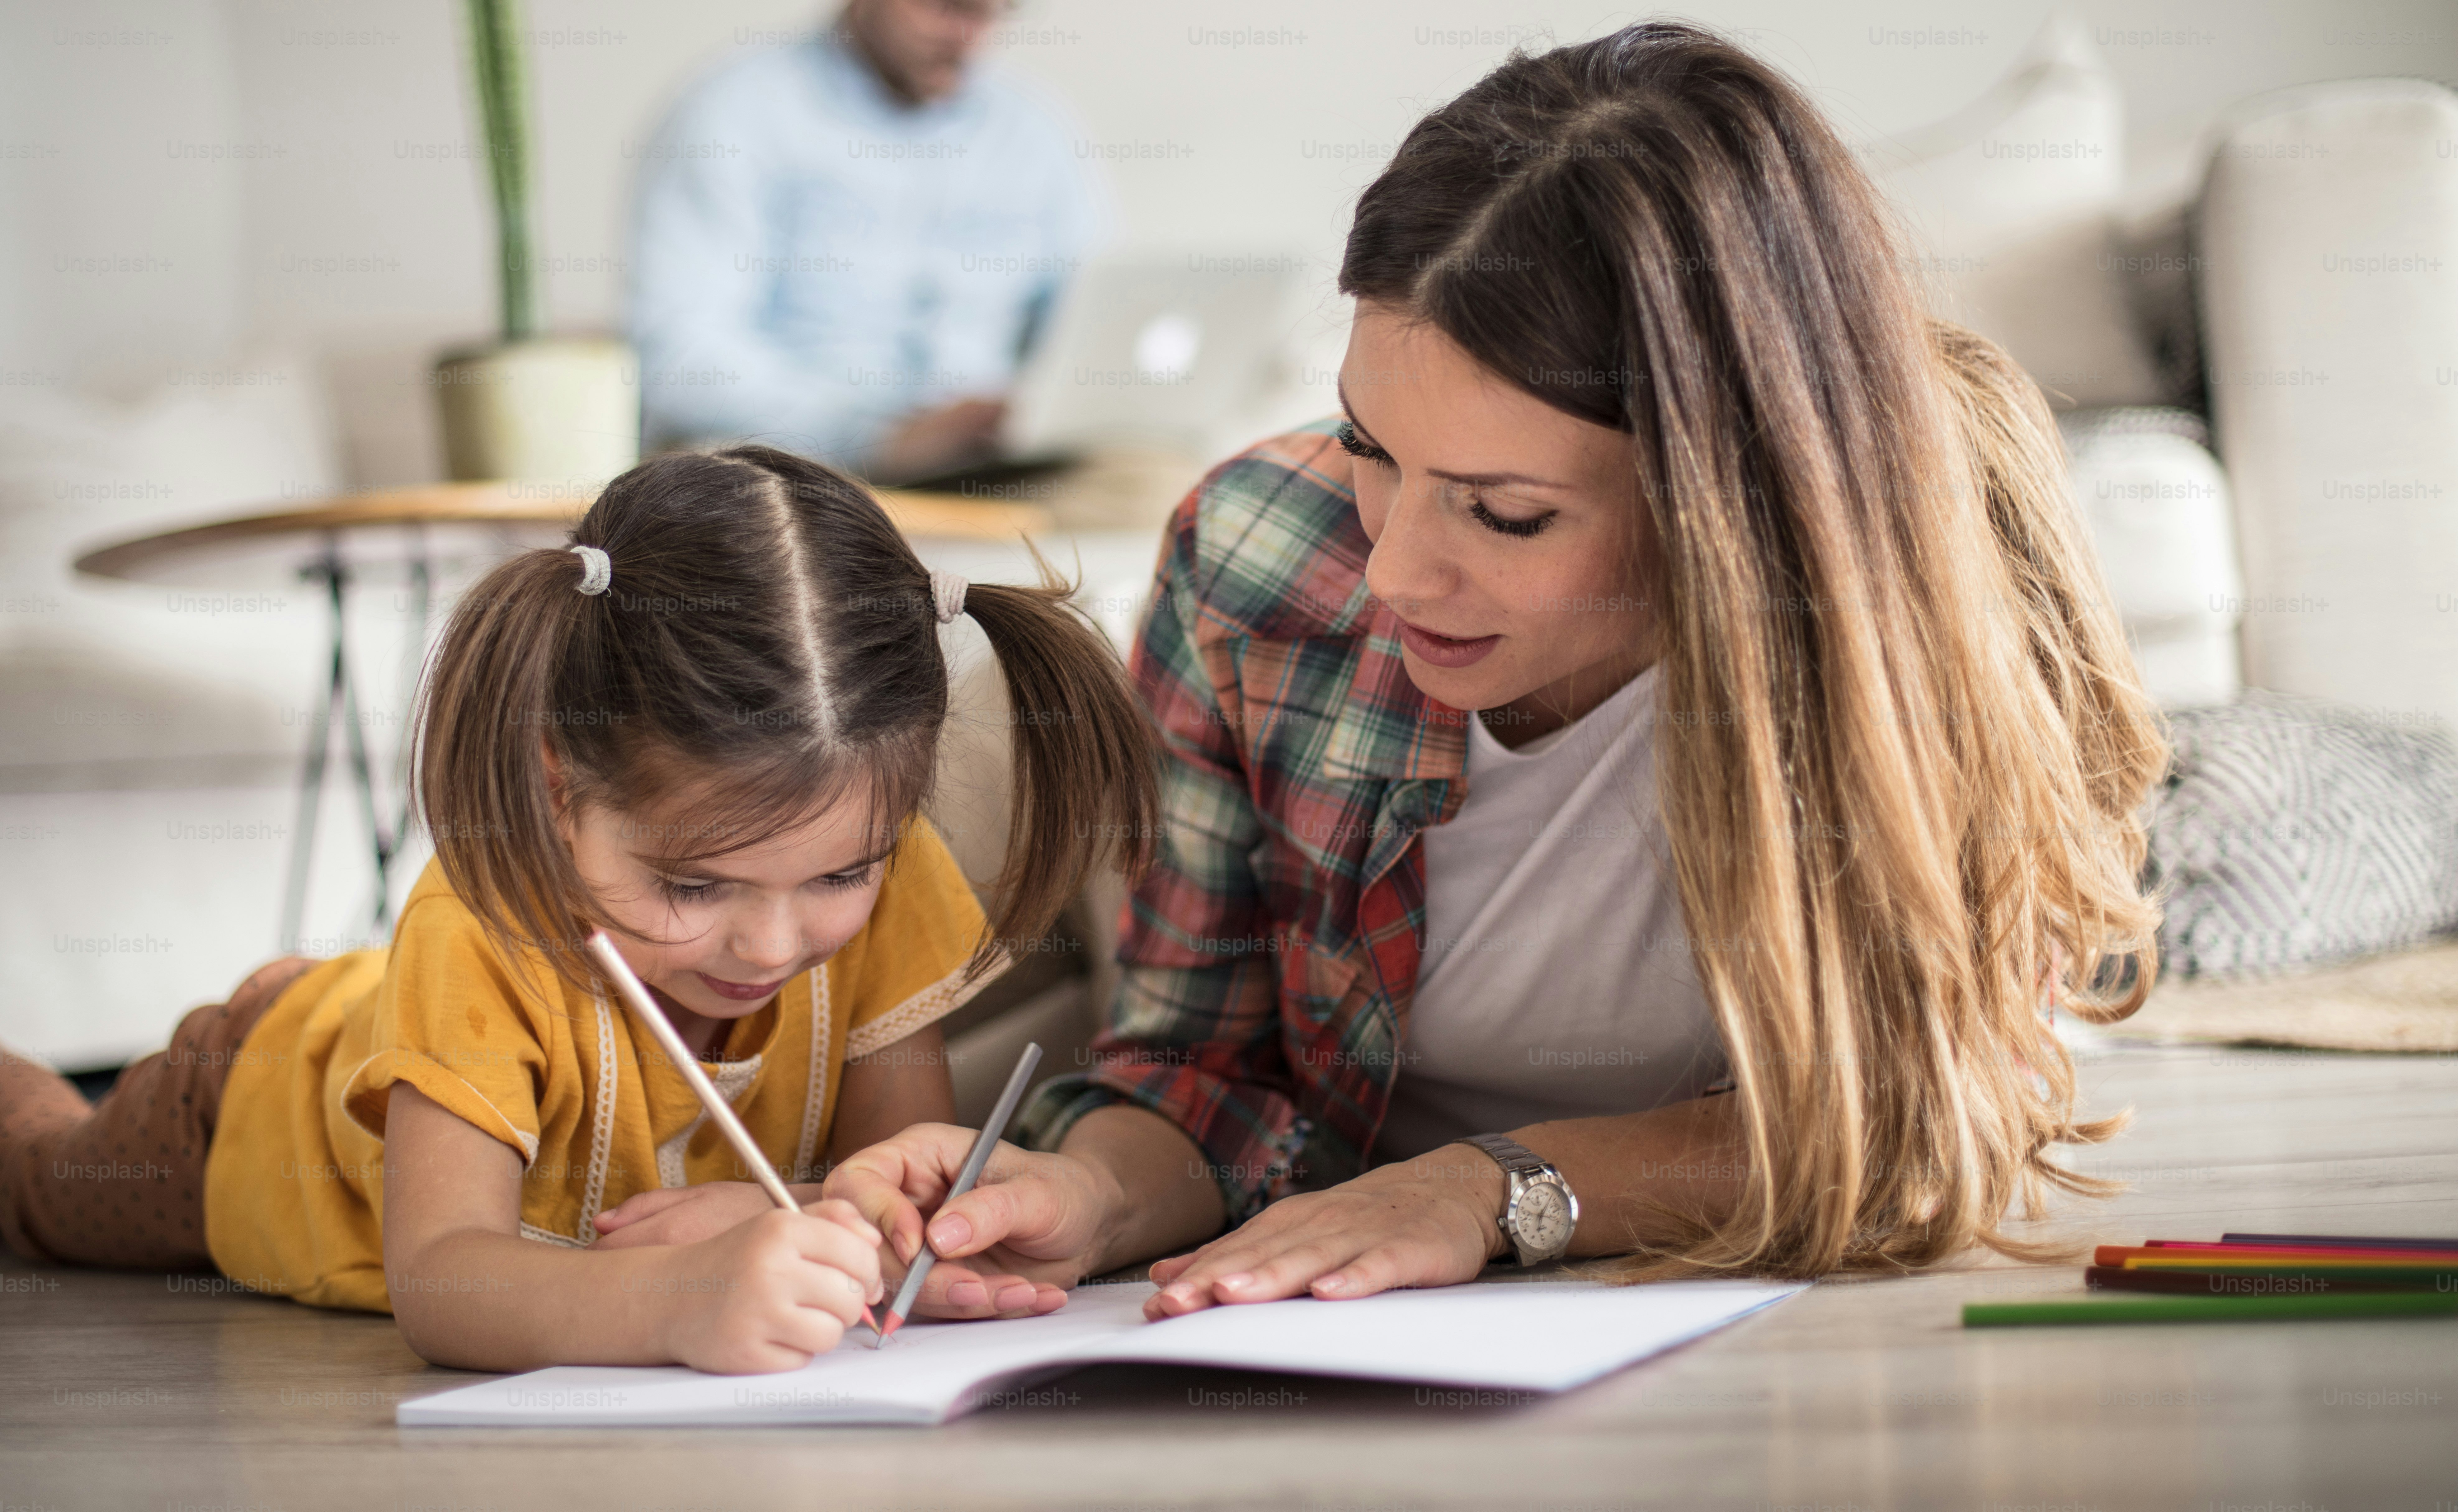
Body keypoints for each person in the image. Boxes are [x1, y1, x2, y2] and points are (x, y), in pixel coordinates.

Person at [816, 22, 2169, 1313]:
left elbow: (1927, 1125)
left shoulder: (1929, 591)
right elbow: (1202, 1069)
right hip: (1365, 1298)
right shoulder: (1253, 553)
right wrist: (1082, 1194)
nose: (1395, 570)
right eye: (1368, 446)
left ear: (1722, 497)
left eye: (1505, 512)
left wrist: (1493, 1190)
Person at [0, 445, 1158, 1374]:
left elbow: (873, 1176)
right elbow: (446, 1279)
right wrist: (676, 1295)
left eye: (837, 876)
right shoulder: (479, 924)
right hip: (247, 1100)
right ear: (559, 790)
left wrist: (883, 1235)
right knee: (34, 1181)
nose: (769, 943)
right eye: (694, 885)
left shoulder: (898, 879)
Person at [629, 0, 1102, 482]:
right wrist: (870, 440)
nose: (969, 36)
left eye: (993, 11)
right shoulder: (733, 112)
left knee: (1144, 482)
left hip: (994, 477)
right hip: (792, 485)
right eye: (947, 6)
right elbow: (678, 360)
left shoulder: (1035, 133)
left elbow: (1090, 319)